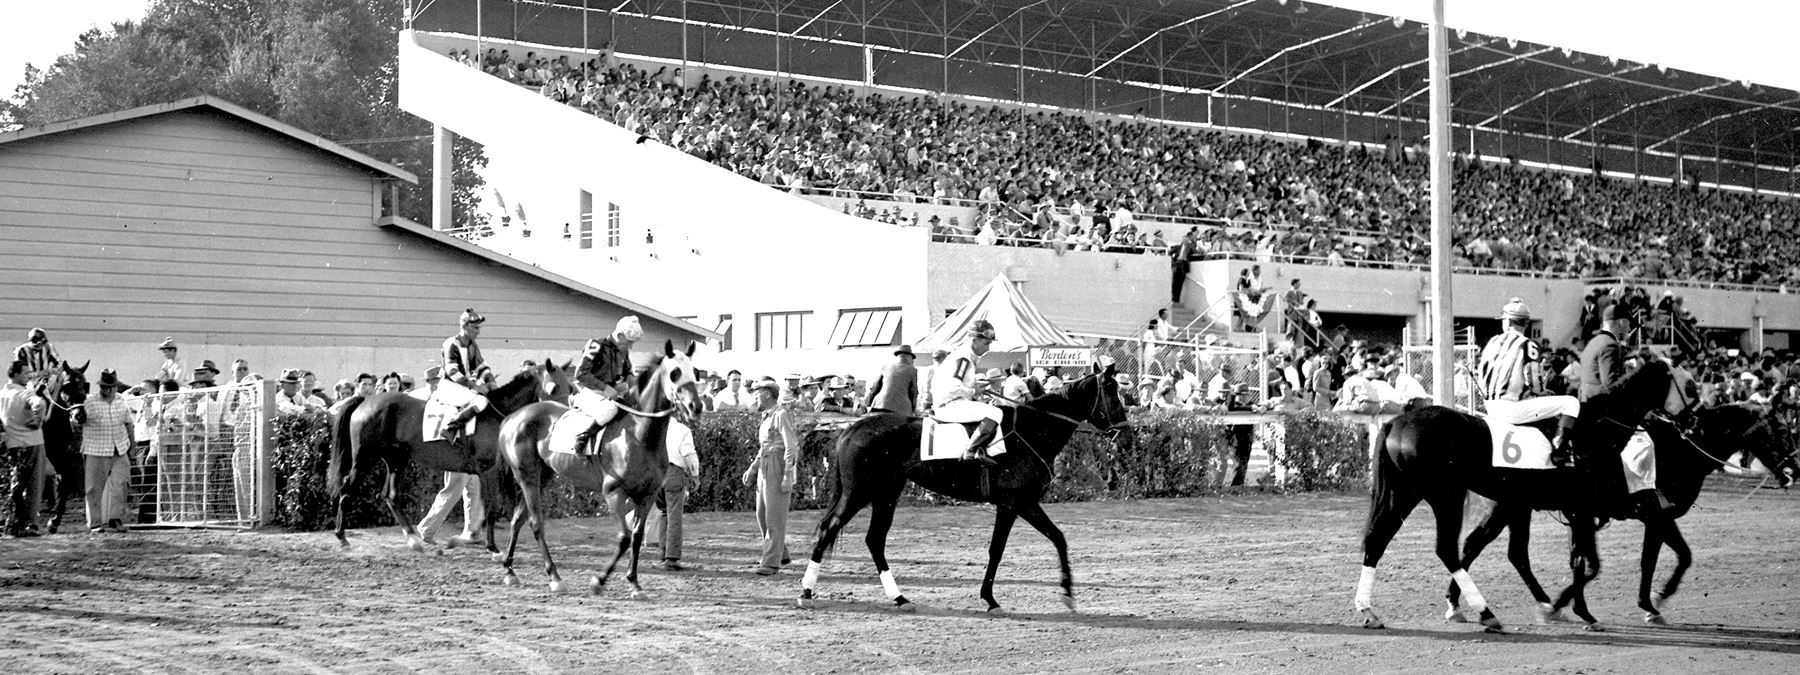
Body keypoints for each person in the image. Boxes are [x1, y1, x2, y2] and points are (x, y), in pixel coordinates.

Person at [1478, 298, 1580, 464]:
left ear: (1507, 322)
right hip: (1511, 409)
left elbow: (1481, 372)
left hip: (1489, 405)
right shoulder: (1529, 344)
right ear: (1525, 323)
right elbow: (1535, 385)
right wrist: (1541, 392)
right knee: (1571, 403)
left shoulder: (1493, 341)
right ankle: (1560, 450)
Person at [412, 366, 485, 546]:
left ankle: (473, 532)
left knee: (474, 488)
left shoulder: (449, 397)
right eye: (432, 381)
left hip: (463, 451)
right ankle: (427, 528)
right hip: (454, 452)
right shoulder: (445, 399)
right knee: (453, 490)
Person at [741, 378, 798, 575]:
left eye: (757, 393)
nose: (755, 397)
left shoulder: (781, 415)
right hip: (765, 465)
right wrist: (753, 468)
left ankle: (771, 562)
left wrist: (787, 475)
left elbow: (791, 447)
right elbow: (764, 446)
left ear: (767, 394)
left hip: (777, 466)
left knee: (774, 516)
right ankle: (780, 553)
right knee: (762, 514)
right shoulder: (766, 416)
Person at [927, 319, 1003, 464]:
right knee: (996, 413)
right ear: (974, 340)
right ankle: (971, 451)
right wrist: (974, 391)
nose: (988, 348)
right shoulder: (964, 358)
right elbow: (954, 387)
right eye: (986, 343)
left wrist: (977, 388)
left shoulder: (963, 357)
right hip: (949, 406)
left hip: (951, 403)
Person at [569, 316, 643, 453]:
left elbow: (628, 372)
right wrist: (606, 389)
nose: (631, 346)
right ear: (620, 335)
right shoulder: (595, 345)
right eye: (629, 342)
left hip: (611, 392)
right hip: (590, 391)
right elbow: (580, 374)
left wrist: (632, 382)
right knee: (610, 409)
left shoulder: (623, 350)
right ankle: (582, 438)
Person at [75, 370, 135, 533]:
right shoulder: (89, 401)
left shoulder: (121, 401)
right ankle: (95, 522)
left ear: (115, 387)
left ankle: (115, 518)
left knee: (121, 483)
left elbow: (129, 423)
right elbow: (77, 420)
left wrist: (132, 446)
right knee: (94, 487)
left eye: (109, 387)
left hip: (119, 448)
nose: (106, 390)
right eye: (103, 387)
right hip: (96, 449)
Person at [2, 361, 49, 536]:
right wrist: (36, 421)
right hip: (32, 443)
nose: (28, 376)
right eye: (25, 373)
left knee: (16, 485)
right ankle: (32, 523)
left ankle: (14, 522)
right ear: (15, 374)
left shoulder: (2, 394)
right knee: (34, 485)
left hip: (12, 445)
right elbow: (40, 404)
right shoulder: (24, 393)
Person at [646, 417, 699, 570]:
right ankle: (672, 558)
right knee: (674, 516)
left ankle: (663, 554)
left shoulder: (652, 428)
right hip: (673, 472)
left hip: (655, 473)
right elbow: (689, 454)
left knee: (664, 513)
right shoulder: (682, 430)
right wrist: (695, 476)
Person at [865, 345, 919, 416]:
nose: (912, 361)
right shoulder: (912, 370)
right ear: (907, 357)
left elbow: (875, 387)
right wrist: (914, 409)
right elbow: (913, 392)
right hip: (900, 408)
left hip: (879, 404)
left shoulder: (886, 367)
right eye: (912, 358)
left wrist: (868, 404)